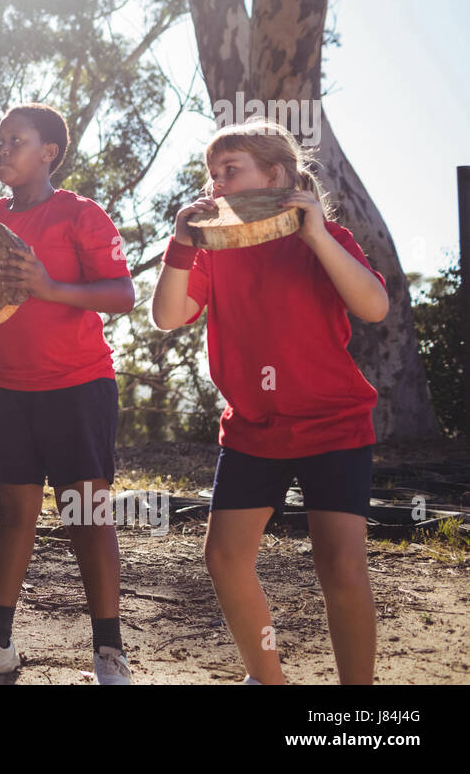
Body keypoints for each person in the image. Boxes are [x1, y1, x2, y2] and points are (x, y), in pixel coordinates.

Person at [150, 118, 387, 685]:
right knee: (226, 559)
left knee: (341, 566)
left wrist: (318, 236)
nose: (216, 186)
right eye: (212, 175)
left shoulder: (324, 239)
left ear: (276, 174)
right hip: (254, 428)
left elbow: (375, 307)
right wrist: (179, 247)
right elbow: (166, 317)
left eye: (230, 171)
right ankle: (268, 678)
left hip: (333, 423)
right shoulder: (212, 250)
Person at [0, 104, 136, 683]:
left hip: (78, 385)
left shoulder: (80, 214)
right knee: (13, 515)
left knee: (84, 515)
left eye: (16, 140)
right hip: (7, 389)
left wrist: (49, 285)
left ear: (49, 153)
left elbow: (122, 294)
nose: (2, 149)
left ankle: (109, 653)